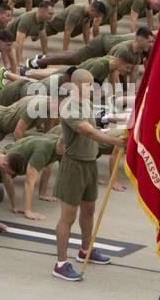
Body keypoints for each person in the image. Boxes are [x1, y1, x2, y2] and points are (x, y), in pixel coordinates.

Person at [52, 69, 127, 281]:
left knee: (89, 209)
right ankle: (61, 263)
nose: (92, 88)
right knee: (68, 216)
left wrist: (125, 119)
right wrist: (115, 142)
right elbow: (88, 131)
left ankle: (86, 250)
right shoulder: (69, 107)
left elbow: (98, 120)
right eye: (87, 85)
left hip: (89, 163)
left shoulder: (86, 103)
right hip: (74, 165)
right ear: (75, 86)